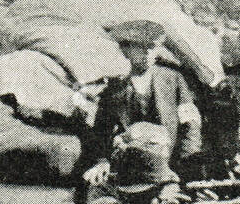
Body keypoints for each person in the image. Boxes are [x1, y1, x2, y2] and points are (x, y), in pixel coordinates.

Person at [84, 20, 202, 179]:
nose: (147, 52)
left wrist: (188, 162)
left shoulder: (173, 80)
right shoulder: (115, 89)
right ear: (126, 50)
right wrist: (102, 160)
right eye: (139, 47)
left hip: (171, 166)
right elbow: (101, 131)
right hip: (130, 169)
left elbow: (190, 123)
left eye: (151, 47)